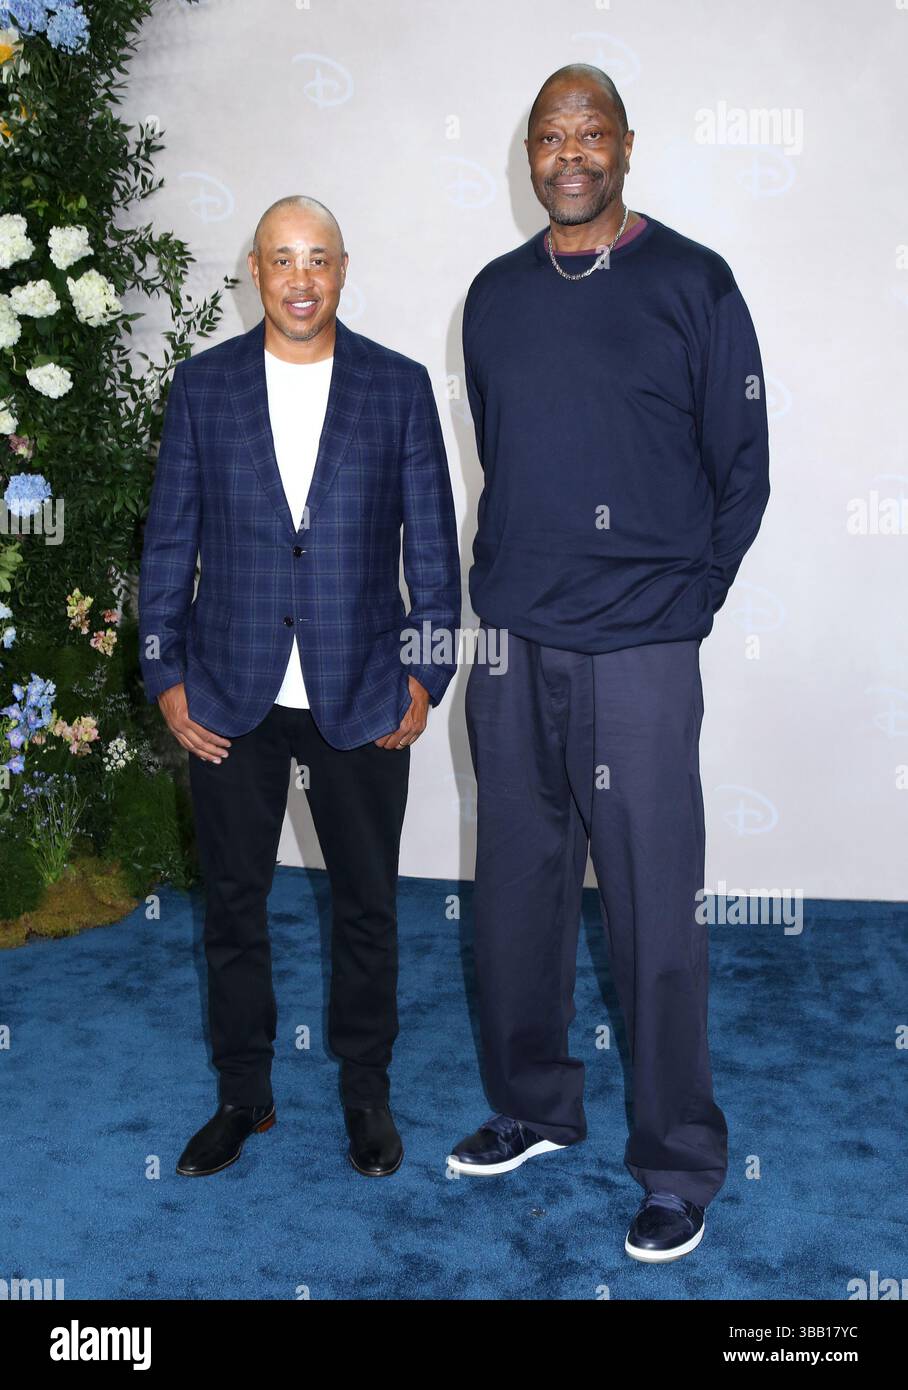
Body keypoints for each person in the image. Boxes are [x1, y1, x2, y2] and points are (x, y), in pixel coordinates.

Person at [447, 65, 770, 1262]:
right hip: (515, 644)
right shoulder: (491, 296)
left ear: (626, 145)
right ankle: (533, 1105)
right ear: (527, 154)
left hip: (637, 650)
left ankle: (677, 1160)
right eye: (548, 134)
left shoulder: (692, 281)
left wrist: (680, 602)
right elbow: (502, 449)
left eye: (589, 131)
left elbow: (741, 464)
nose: (567, 152)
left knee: (651, 917)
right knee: (516, 901)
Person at [138, 195, 460, 1180]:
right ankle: (244, 1095)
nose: (301, 277)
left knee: (365, 905)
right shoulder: (203, 388)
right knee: (232, 905)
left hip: (361, 691)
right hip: (228, 692)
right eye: (282, 259)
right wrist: (163, 670)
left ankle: (366, 1093)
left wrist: (427, 670)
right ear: (254, 270)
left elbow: (435, 553)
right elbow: (168, 543)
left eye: (318, 258)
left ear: (343, 268)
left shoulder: (397, 388)